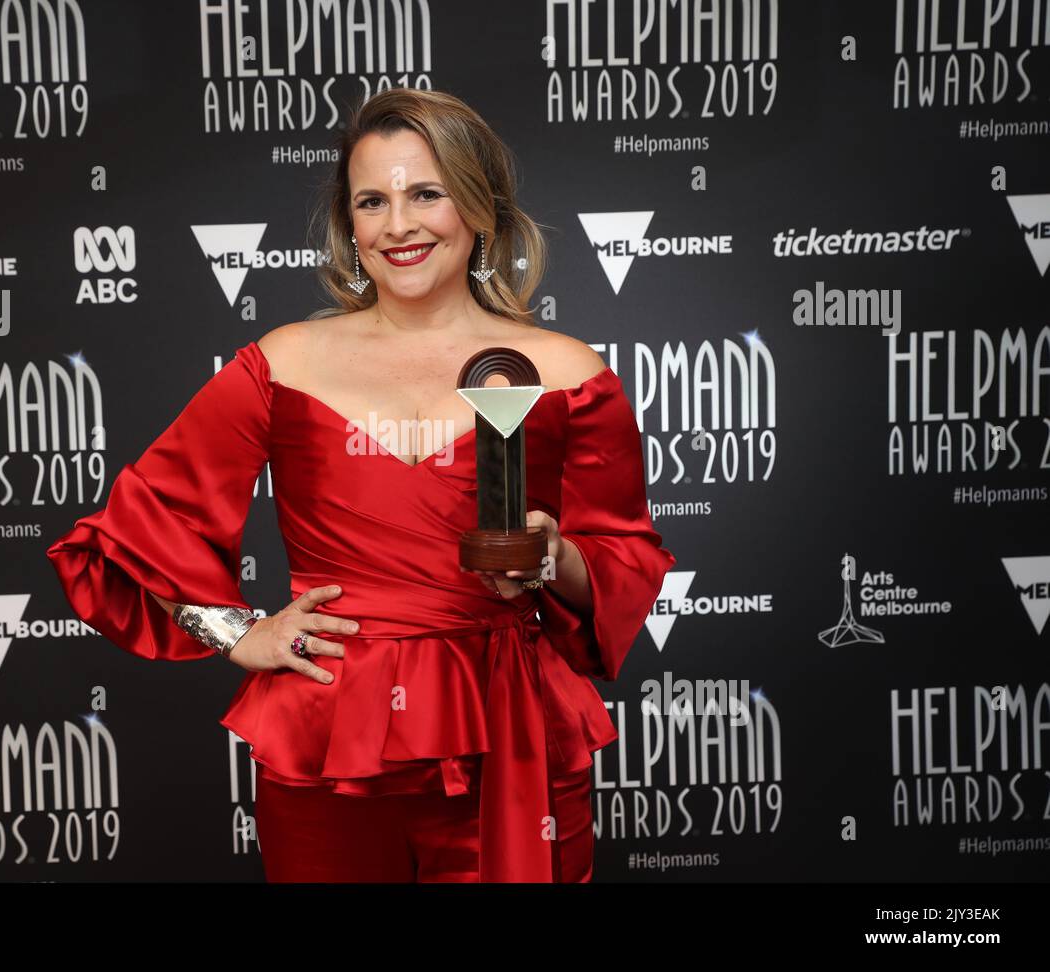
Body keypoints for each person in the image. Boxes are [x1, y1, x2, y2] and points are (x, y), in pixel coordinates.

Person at [46, 88, 674, 882]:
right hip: (326, 737)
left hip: (511, 728)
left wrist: (554, 555)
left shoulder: (567, 373)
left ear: (478, 205)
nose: (399, 225)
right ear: (349, 223)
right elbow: (139, 525)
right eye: (372, 201)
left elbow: (624, 558)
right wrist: (234, 631)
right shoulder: (283, 363)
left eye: (426, 194)